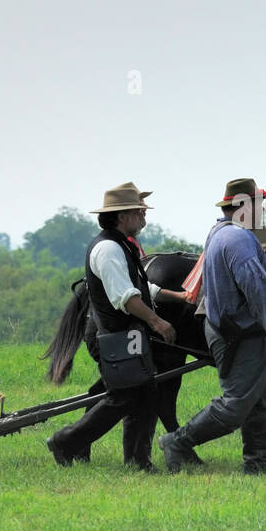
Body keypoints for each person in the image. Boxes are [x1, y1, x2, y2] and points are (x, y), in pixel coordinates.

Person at [45, 182, 179, 471]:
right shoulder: (108, 249)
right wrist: (157, 321)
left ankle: (137, 461)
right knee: (124, 396)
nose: (144, 217)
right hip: (112, 333)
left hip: (123, 333)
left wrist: (177, 296)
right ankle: (65, 441)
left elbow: (140, 287)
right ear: (123, 216)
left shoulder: (119, 246)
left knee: (144, 392)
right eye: (139, 212)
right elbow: (126, 297)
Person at [160, 178, 266, 474]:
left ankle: (255, 465)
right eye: (258, 205)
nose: (262, 211)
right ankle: (177, 442)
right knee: (235, 406)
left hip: (247, 330)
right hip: (244, 333)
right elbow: (255, 285)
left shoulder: (223, 234)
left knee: (264, 403)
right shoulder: (238, 239)